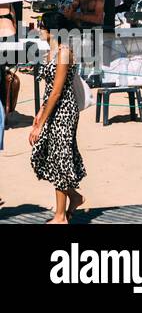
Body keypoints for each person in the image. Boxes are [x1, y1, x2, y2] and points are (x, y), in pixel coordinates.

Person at [29, 32, 87, 223]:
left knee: (60, 159)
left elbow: (57, 92)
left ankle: (60, 216)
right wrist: (40, 113)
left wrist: (41, 124)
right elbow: (48, 89)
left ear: (51, 30)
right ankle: (75, 197)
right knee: (43, 156)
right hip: (52, 109)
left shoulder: (64, 53)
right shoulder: (51, 52)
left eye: (41, 27)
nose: (39, 31)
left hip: (64, 112)